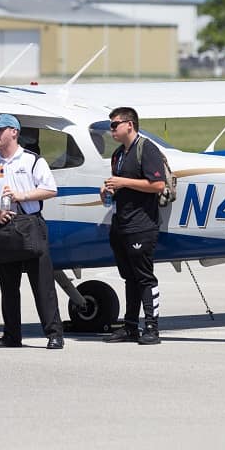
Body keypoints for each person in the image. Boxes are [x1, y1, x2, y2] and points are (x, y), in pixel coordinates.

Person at [0, 113, 64, 349]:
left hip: (29, 223)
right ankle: (12, 335)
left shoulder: (32, 161)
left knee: (42, 284)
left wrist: (22, 195)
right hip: (3, 226)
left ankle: (54, 333)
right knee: (8, 287)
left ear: (14, 131)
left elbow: (50, 189)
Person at [100, 107, 167, 345]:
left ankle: (152, 327)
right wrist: (107, 190)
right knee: (129, 278)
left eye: (114, 125)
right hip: (121, 224)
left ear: (130, 124)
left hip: (141, 224)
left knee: (144, 277)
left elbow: (158, 184)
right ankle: (130, 326)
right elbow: (120, 188)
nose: (111, 130)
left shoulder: (146, 149)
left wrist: (123, 181)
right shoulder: (118, 155)